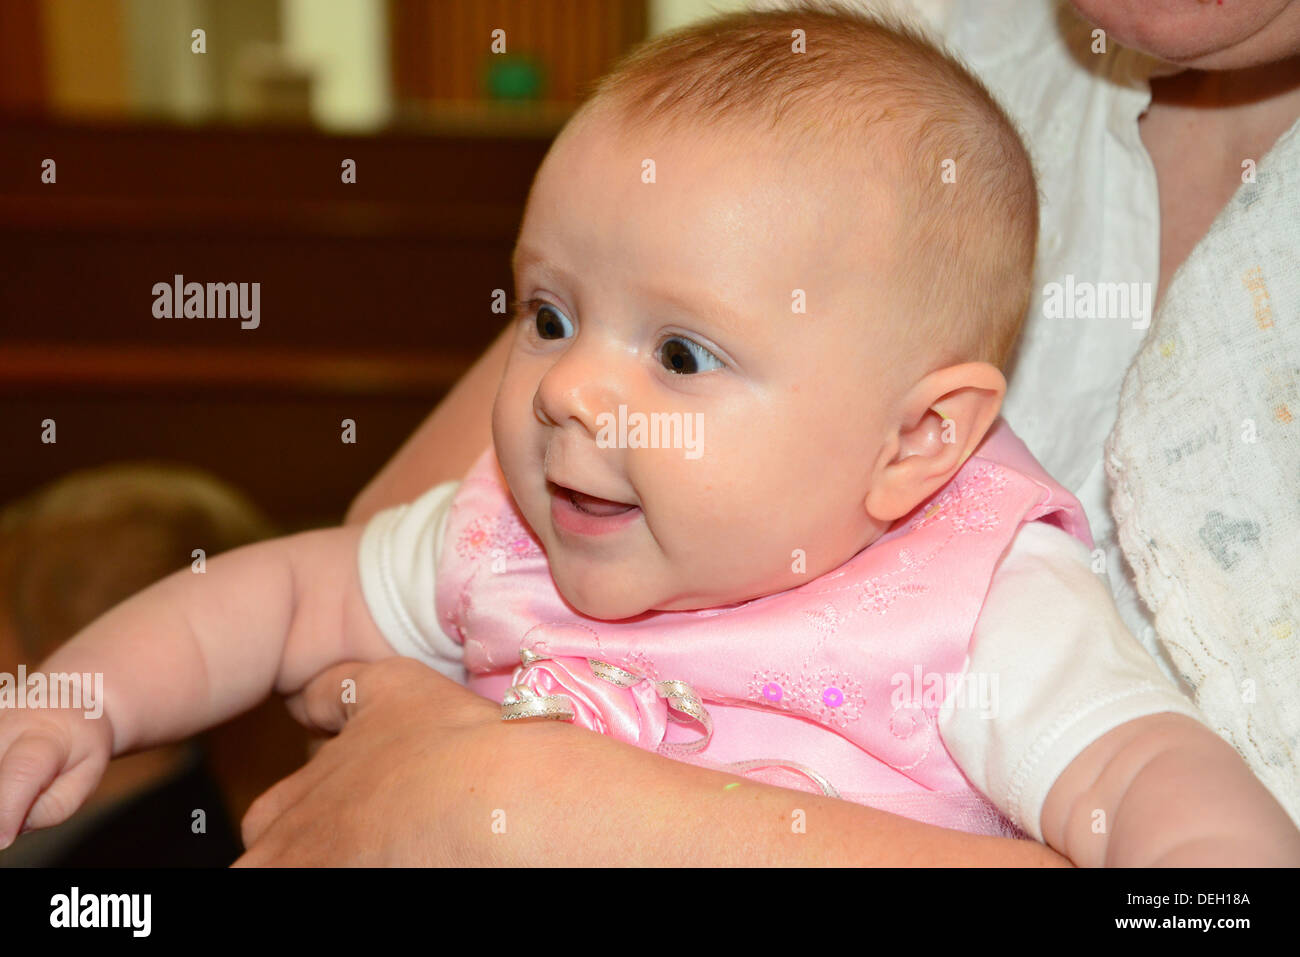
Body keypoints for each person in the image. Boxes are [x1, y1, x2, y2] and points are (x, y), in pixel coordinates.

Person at [3, 2, 1297, 868]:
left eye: (681, 352)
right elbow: (282, 596)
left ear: (918, 440)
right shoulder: (517, 526)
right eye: (549, 313)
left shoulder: (969, 603)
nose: (571, 391)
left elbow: (1145, 781)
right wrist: (79, 697)